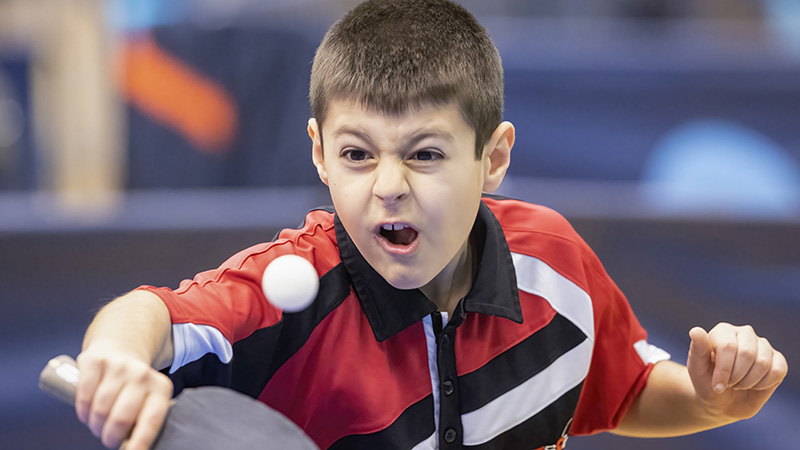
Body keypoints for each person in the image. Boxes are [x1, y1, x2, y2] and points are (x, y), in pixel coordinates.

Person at [74, 1, 788, 449]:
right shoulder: (289, 286)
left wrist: (711, 399)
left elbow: (625, 389)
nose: (388, 187)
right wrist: (117, 360)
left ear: (494, 157)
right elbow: (151, 315)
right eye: (357, 154)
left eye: (424, 155)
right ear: (320, 154)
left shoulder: (554, 264)